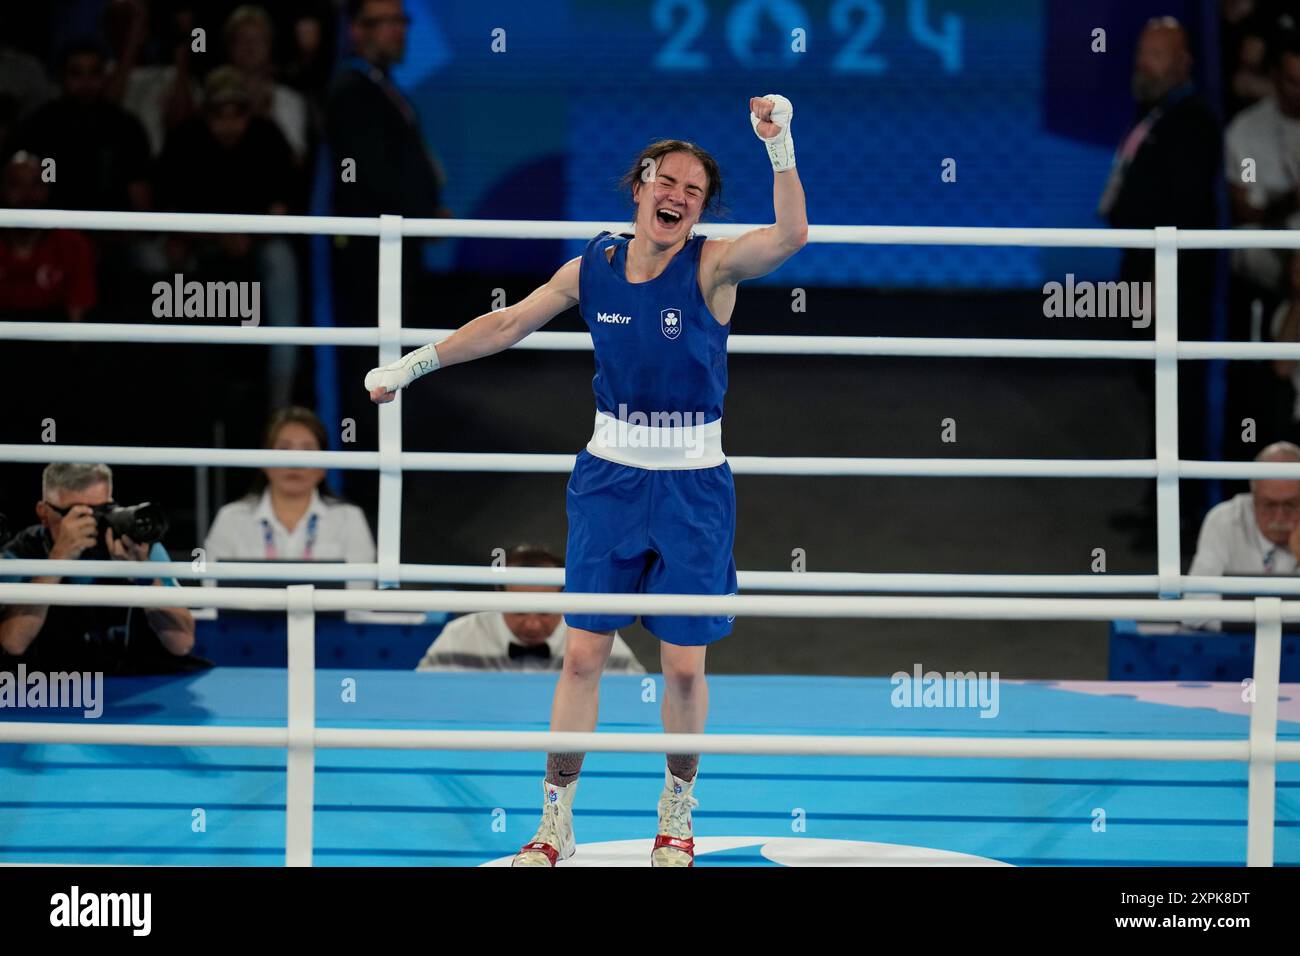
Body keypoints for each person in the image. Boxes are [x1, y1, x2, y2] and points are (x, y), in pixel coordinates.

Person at [365, 95, 808, 866]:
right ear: (638, 187)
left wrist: (781, 145)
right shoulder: (590, 267)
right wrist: (415, 363)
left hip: (693, 484)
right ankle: (555, 821)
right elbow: (504, 325)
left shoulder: (714, 264)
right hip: (609, 478)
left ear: (702, 209)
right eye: (665, 181)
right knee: (581, 655)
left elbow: (792, 235)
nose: (676, 195)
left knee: (681, 663)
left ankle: (677, 810)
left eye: (693, 190)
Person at [0, 462, 199, 674]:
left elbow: (182, 643)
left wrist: (144, 577)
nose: (93, 523)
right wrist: (58, 560)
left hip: (130, 683)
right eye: (79, 514)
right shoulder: (20, 553)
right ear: (44, 513)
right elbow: (13, 643)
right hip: (52, 687)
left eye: (102, 511)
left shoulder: (137, 547)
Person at [204, 407, 376, 588]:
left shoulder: (349, 518)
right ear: (263, 460)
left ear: (324, 466)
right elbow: (212, 588)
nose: (295, 461)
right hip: (250, 618)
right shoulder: (231, 518)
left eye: (307, 450)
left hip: (327, 618)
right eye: (284, 448)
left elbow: (360, 592)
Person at [416, 545, 645, 673]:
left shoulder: (594, 638)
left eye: (545, 612)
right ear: (500, 596)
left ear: (564, 597)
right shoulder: (460, 635)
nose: (533, 624)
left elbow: (636, 699)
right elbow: (421, 698)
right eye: (520, 611)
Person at [1186, 440, 1300, 628]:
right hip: (1234, 651)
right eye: (1269, 505)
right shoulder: (1224, 520)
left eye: (1291, 505)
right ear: (1253, 499)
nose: (1280, 517)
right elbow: (1193, 609)